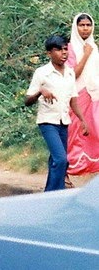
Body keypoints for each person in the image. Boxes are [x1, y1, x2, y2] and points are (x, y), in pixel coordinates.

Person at [24, 34, 91, 191]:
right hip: (48, 122)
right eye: (59, 50)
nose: (64, 53)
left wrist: (82, 120)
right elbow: (27, 101)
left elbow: (73, 99)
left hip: (63, 122)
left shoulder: (69, 73)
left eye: (65, 49)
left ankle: (49, 194)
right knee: (61, 160)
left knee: (56, 160)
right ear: (49, 53)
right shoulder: (42, 73)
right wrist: (40, 91)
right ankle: (56, 195)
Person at [67, 12, 99, 179]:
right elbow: (73, 74)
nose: (85, 29)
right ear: (76, 27)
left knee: (95, 131)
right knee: (76, 133)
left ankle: (90, 166)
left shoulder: (94, 47)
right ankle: (69, 170)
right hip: (77, 96)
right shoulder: (70, 48)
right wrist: (85, 55)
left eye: (88, 25)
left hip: (94, 96)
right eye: (82, 25)